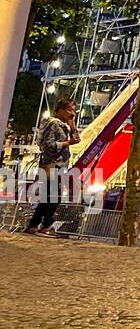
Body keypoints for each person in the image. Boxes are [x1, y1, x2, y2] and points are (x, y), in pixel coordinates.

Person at [25, 98, 78, 235]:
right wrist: (66, 143)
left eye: (73, 110)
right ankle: (47, 224)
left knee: (49, 197)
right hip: (52, 164)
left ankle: (36, 225)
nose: (72, 113)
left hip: (60, 165)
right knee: (54, 196)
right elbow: (47, 146)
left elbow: (77, 139)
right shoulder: (53, 124)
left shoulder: (65, 126)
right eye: (69, 110)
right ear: (60, 110)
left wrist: (73, 126)